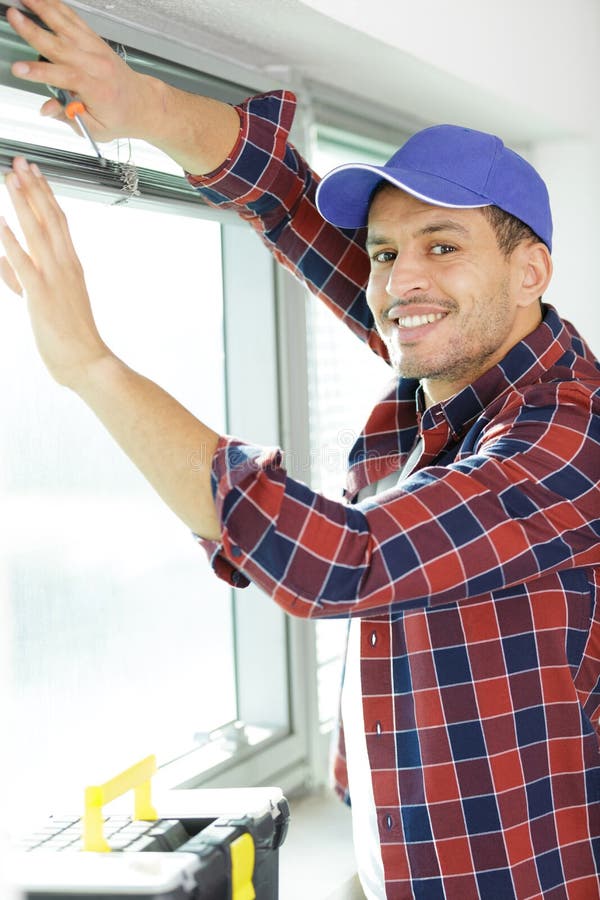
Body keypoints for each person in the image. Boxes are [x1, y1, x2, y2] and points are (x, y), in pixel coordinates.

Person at [3, 1, 600, 897]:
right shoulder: (450, 354)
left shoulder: (566, 435)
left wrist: (88, 362)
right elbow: (286, 201)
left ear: (530, 273)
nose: (402, 281)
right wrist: (139, 102)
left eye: (442, 245)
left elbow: (343, 561)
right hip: (396, 860)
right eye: (386, 251)